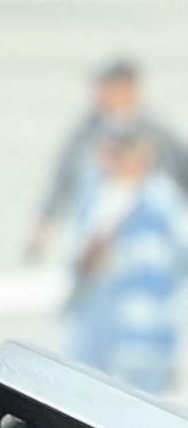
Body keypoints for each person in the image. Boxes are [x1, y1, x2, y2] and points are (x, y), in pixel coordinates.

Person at [64, 121, 188, 397]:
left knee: (138, 405)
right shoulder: (95, 195)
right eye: (106, 153)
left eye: (119, 153)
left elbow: (179, 261)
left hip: (143, 330)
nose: (110, 161)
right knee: (87, 399)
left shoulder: (162, 201)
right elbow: (75, 252)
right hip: (95, 325)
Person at [25, 59, 184, 263]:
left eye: (106, 87)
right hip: (97, 232)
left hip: (149, 233)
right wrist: (45, 221)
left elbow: (181, 172)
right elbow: (63, 176)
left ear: (128, 88)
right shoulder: (86, 130)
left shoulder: (155, 132)